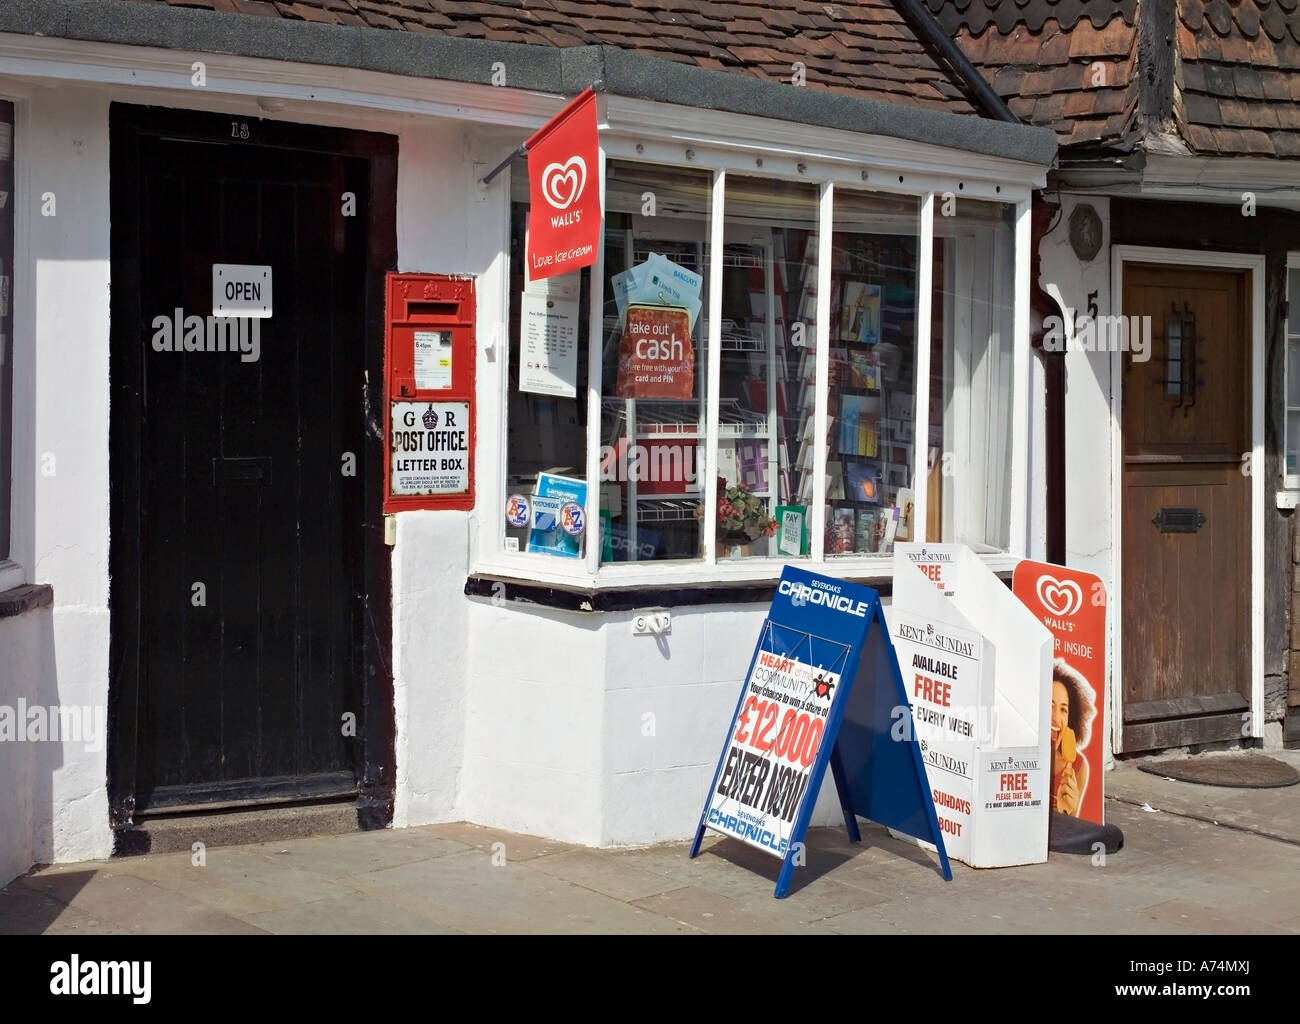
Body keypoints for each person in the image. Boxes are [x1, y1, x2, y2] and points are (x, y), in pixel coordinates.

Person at [1050, 658, 1097, 817]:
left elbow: (1072, 829)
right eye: (1050, 705)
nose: (1056, 718)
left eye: (1063, 709)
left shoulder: (1078, 766)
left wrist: (1068, 811)